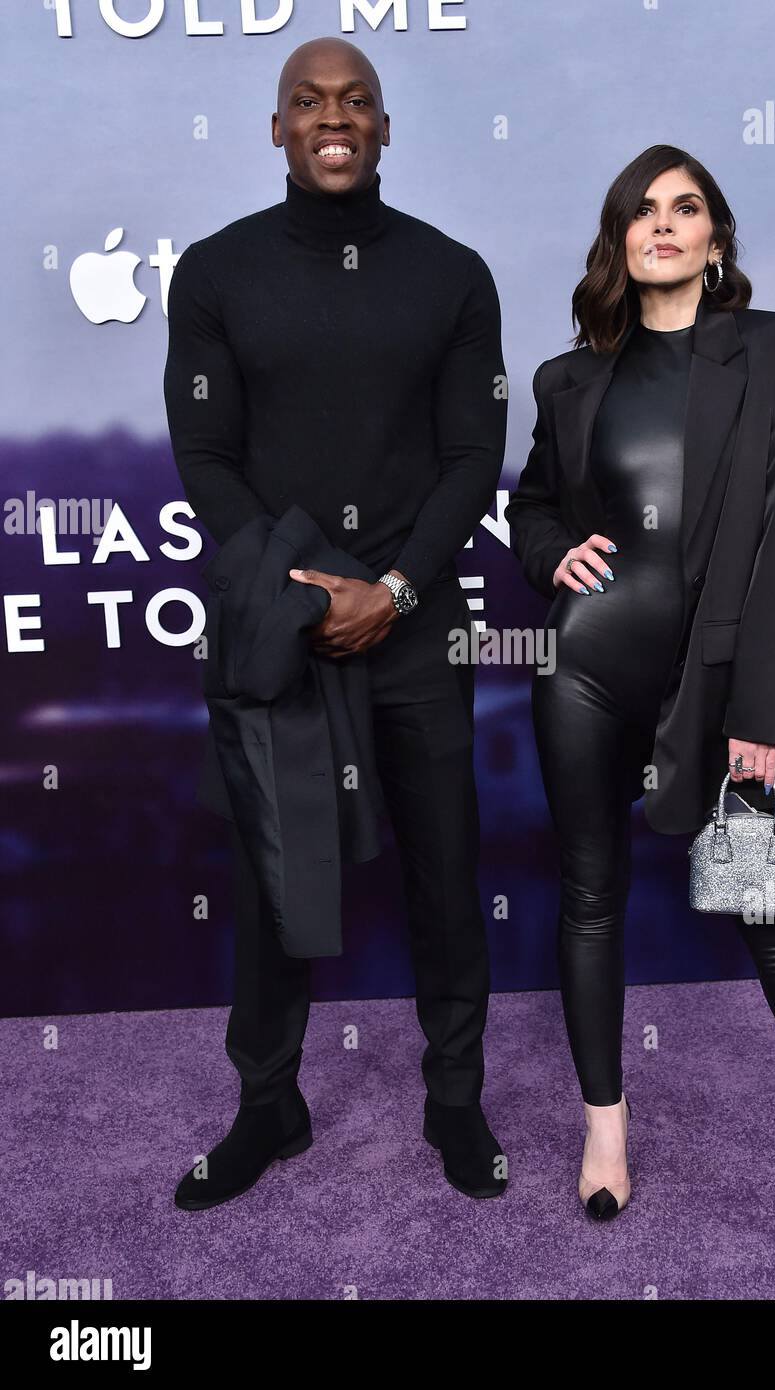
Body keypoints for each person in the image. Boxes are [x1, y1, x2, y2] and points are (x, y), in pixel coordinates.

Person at [506, 145, 775, 1240]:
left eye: (684, 208)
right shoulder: (569, 375)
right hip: (587, 668)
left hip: (726, 687)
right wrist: (550, 548)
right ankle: (606, 1128)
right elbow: (533, 503)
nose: (662, 224)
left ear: (715, 237)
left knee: (773, 922)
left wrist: (759, 717)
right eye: (641, 210)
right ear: (618, 237)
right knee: (590, 900)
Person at [164, 36, 508, 1209]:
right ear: (275, 128)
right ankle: (269, 1104)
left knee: (446, 877)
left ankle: (454, 1102)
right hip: (280, 624)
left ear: (385, 127)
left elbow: (473, 456)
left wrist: (397, 589)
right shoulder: (214, 273)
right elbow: (206, 457)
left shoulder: (454, 274)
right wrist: (307, 588)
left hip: (411, 622)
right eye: (307, 101)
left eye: (356, 100)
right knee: (274, 877)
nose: (333, 117)